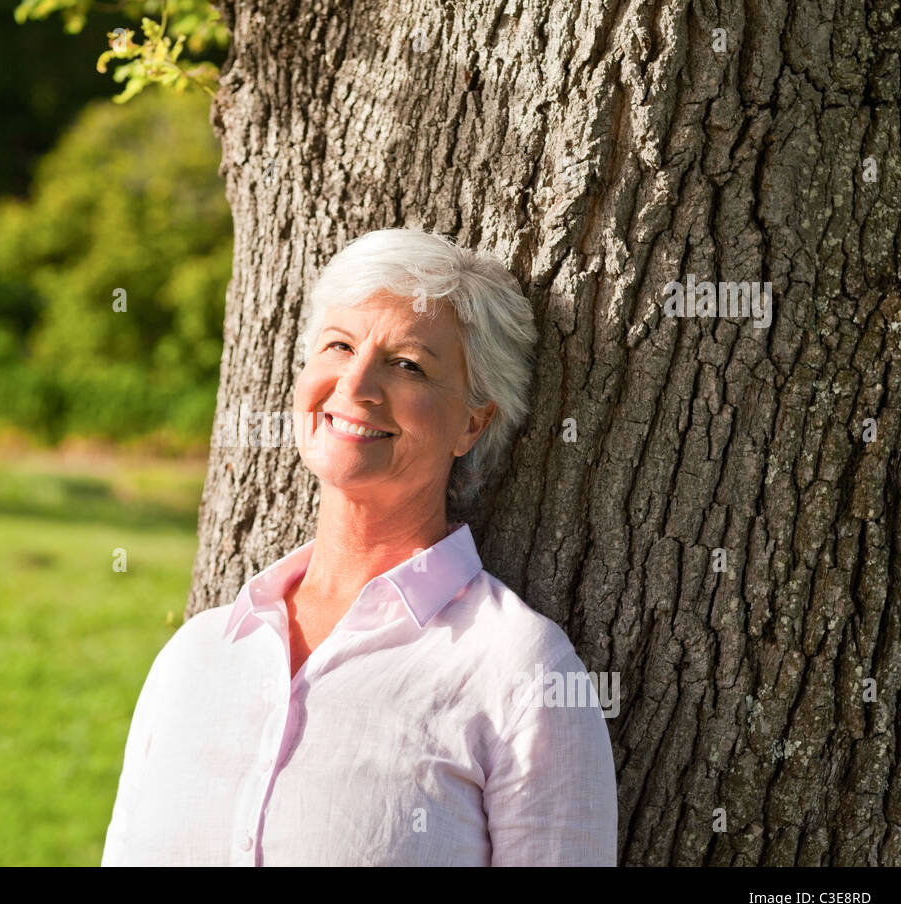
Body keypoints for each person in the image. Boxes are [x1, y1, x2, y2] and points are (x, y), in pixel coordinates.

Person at [102, 228, 617, 865]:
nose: (356, 386)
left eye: (408, 365)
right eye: (339, 345)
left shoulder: (518, 669)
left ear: (473, 422)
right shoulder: (198, 654)